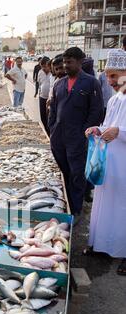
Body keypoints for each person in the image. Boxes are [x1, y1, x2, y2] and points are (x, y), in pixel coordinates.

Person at [84, 49, 126, 275]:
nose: (109, 81)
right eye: (108, 76)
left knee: (123, 207)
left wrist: (119, 131)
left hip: (125, 162)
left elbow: (118, 128)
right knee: (106, 203)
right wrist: (97, 129)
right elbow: (107, 122)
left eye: (114, 76)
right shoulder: (114, 99)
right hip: (109, 161)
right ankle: (102, 245)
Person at [49, 47, 104, 222]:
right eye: (64, 62)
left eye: (69, 62)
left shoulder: (91, 83)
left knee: (77, 173)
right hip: (59, 137)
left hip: (78, 138)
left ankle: (76, 209)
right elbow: (54, 109)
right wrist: (52, 128)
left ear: (80, 62)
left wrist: (85, 133)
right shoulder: (59, 84)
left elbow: (96, 111)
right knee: (64, 171)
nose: (65, 65)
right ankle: (66, 202)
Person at [38, 56, 51, 136]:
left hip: (51, 100)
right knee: (43, 118)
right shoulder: (40, 72)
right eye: (42, 66)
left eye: (45, 66)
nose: (43, 68)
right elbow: (39, 83)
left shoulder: (53, 73)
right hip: (42, 97)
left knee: (50, 118)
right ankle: (48, 134)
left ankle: (51, 134)